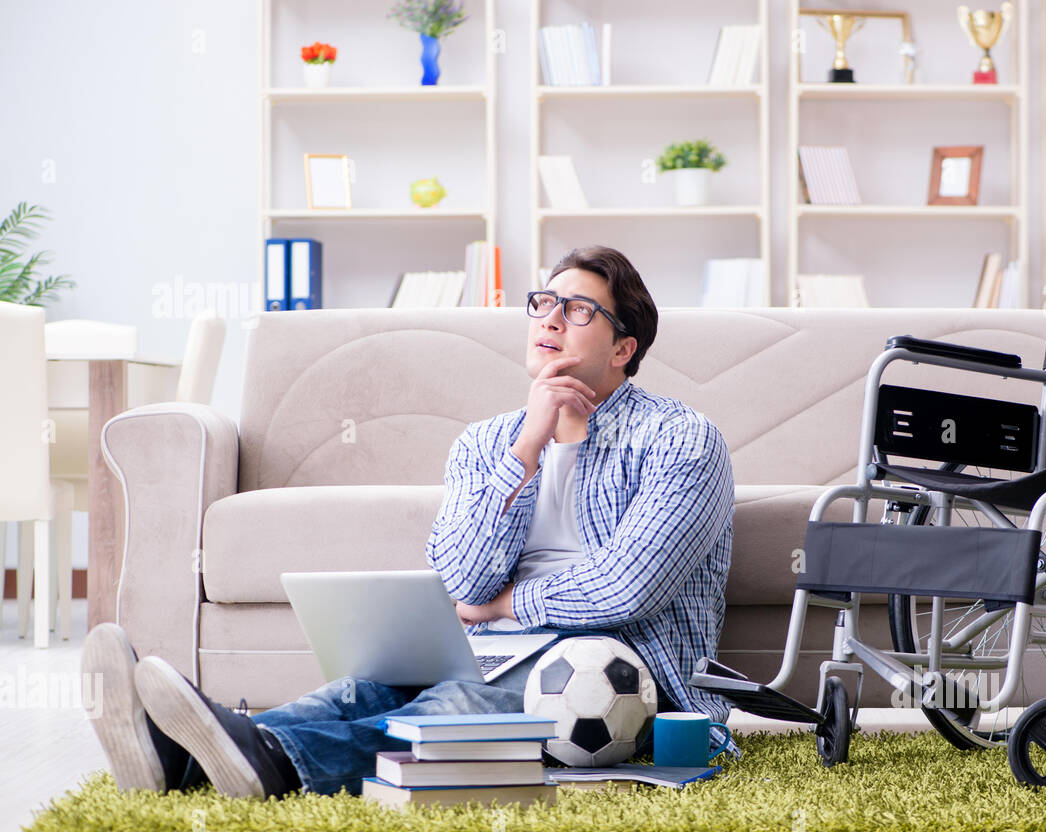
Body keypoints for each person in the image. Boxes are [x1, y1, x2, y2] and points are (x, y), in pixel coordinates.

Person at [82, 245, 738, 800]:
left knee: (458, 709)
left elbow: (626, 588)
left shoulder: (681, 440)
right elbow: (460, 576)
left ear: (624, 346)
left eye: (579, 309)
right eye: (543, 303)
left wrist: (500, 606)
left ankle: (271, 760)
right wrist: (525, 453)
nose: (551, 319)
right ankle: (182, 756)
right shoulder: (488, 446)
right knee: (363, 688)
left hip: (614, 679)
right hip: (489, 650)